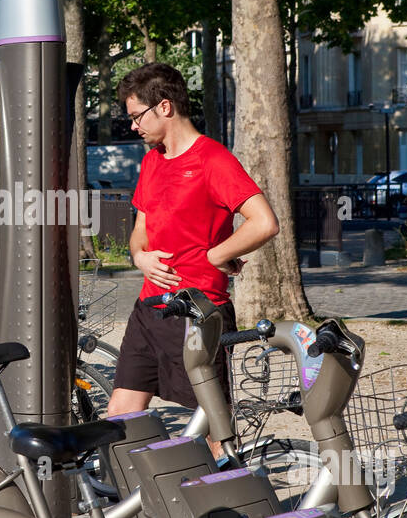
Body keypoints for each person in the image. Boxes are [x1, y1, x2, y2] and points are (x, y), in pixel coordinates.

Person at [106, 62, 280, 448]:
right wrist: (139, 258)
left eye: (137, 116)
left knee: (214, 426)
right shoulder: (152, 161)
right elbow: (141, 230)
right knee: (119, 416)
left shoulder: (213, 159)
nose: (134, 126)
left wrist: (217, 254)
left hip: (198, 314)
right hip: (149, 309)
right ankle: (130, 504)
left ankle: (231, 503)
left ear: (164, 107)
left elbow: (264, 222)